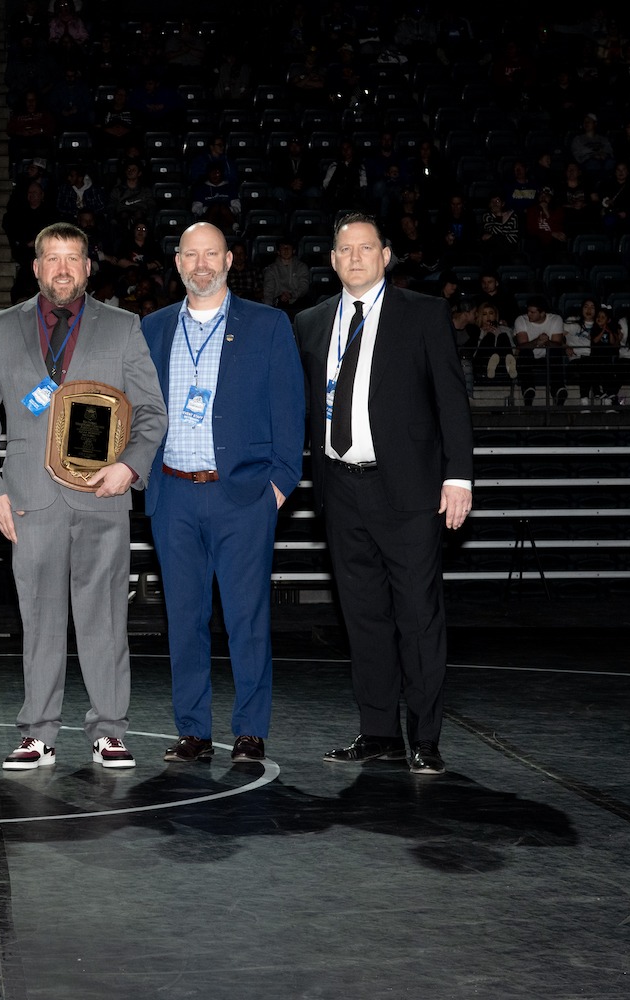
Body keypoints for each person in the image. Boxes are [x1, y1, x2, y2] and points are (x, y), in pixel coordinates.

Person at [0, 222, 166, 771]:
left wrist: (130, 467)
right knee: (38, 619)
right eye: (51, 258)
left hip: (104, 495)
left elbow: (151, 411)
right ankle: (38, 732)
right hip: (28, 498)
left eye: (72, 259)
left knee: (105, 618)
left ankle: (109, 729)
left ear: (87, 267)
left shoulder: (124, 328)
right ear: (35, 267)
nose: (62, 269)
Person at [293, 213, 474, 775]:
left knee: (418, 617)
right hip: (340, 487)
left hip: (410, 490)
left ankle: (425, 738)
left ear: (386, 255)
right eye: (344, 249)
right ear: (332, 259)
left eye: (365, 248)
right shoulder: (310, 321)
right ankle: (378, 734)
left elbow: (451, 399)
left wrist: (459, 476)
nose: (354, 257)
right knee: (363, 616)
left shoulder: (424, 313)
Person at [138, 223, 305, 765]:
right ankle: (193, 729)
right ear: (179, 262)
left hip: (242, 496)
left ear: (229, 260)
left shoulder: (268, 324)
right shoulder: (153, 329)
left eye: (211, 253)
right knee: (184, 618)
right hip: (174, 495)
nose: (201, 263)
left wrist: (278, 487)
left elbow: (290, 411)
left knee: (245, 618)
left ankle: (250, 729)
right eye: (191, 254)